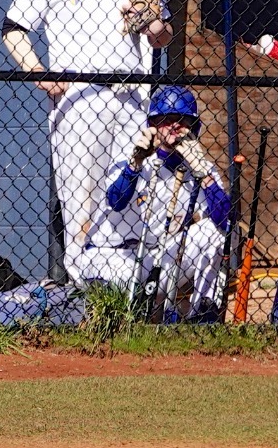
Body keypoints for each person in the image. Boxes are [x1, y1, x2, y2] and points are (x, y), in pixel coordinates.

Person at [2, 0, 173, 279]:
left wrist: (151, 21)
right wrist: (39, 73)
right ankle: (85, 289)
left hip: (129, 96)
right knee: (81, 194)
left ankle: (130, 286)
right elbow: (13, 27)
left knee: (132, 191)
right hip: (78, 98)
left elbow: (163, 37)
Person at [82, 86, 232, 320]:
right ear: (153, 125)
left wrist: (204, 175)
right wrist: (135, 163)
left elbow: (226, 221)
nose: (174, 125)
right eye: (166, 119)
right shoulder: (132, 158)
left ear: (193, 128)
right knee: (122, 287)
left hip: (162, 258)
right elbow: (116, 201)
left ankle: (202, 317)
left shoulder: (202, 168)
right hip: (113, 256)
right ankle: (128, 320)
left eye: (182, 120)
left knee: (212, 233)